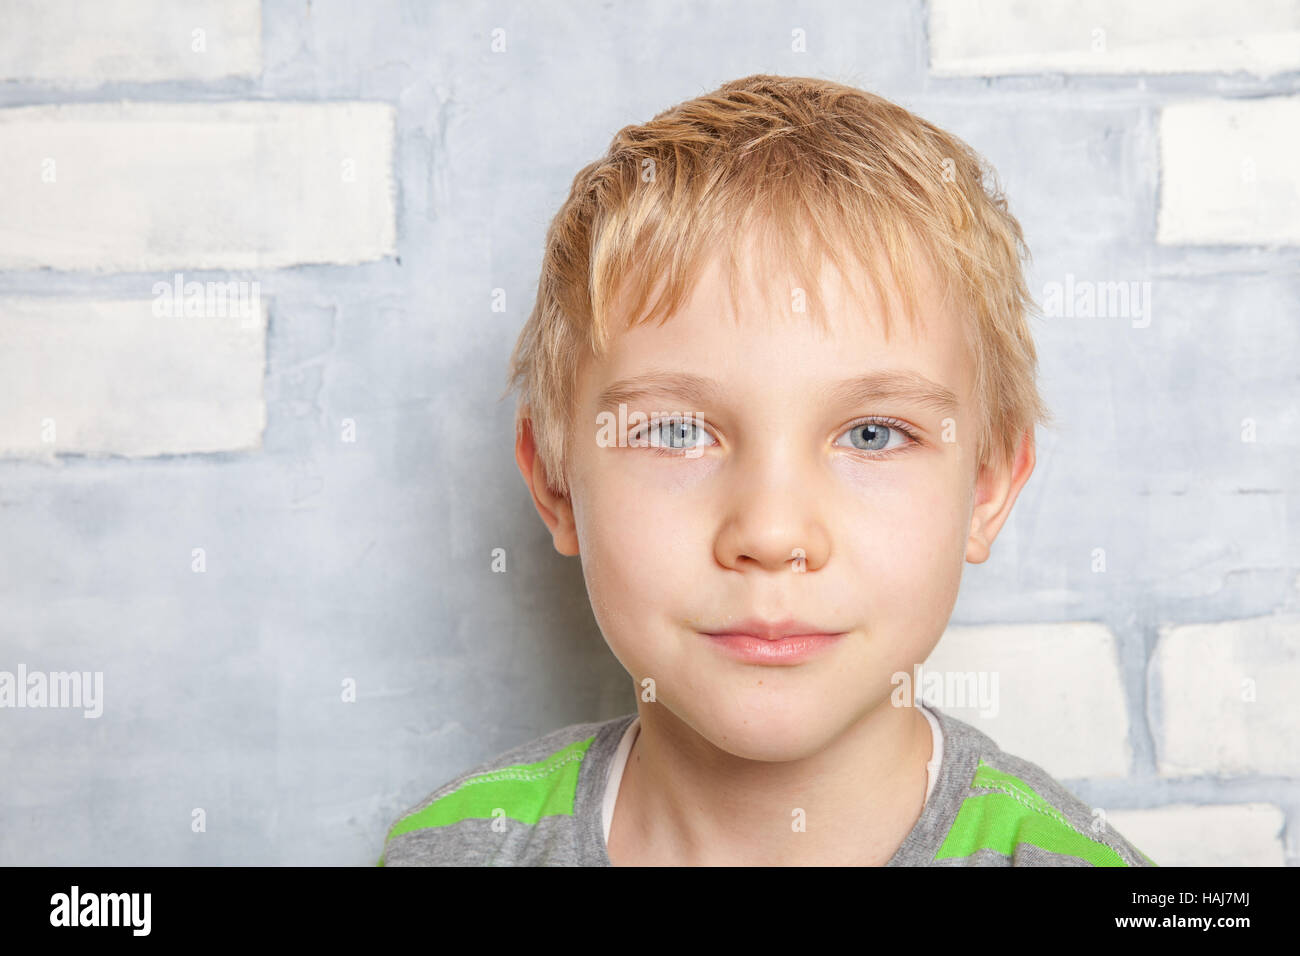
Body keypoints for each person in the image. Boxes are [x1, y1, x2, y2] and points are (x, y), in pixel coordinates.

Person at [378, 74, 1155, 866]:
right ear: (554, 482)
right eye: (678, 430)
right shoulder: (449, 851)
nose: (773, 533)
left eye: (875, 434)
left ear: (986, 488)